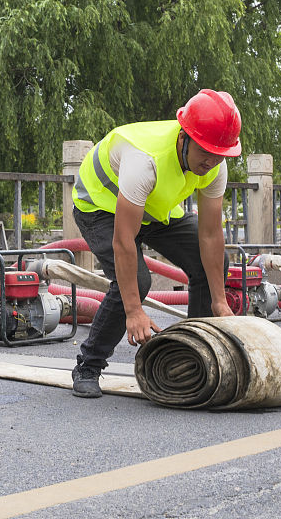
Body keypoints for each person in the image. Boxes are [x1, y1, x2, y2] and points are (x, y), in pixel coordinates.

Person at [69, 89, 242, 398]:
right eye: (206, 152)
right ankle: (88, 365)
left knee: (210, 264)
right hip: (100, 206)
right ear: (184, 138)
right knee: (135, 282)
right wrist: (134, 311)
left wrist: (219, 300)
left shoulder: (215, 163)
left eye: (220, 154)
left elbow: (211, 234)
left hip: (152, 208)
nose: (212, 161)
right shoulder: (144, 160)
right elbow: (124, 240)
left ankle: (195, 354)